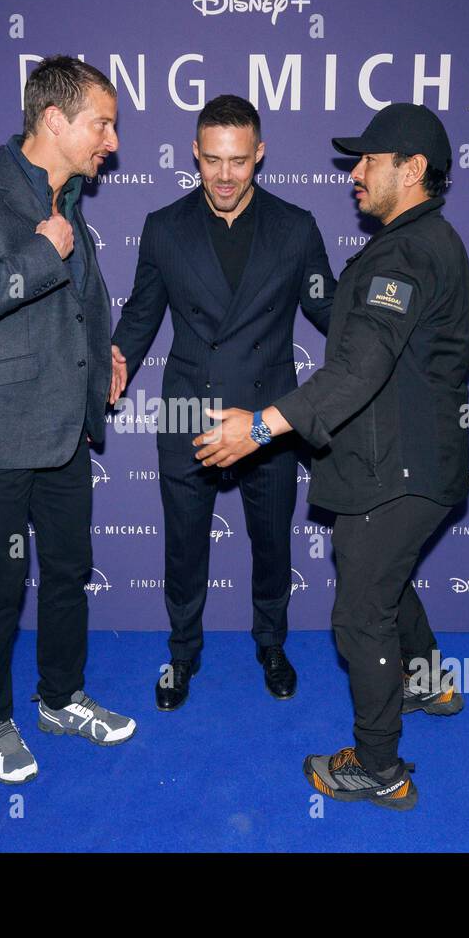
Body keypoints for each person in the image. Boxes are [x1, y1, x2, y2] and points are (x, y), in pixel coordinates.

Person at [192, 103, 469, 811]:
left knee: (359, 613)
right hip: (405, 462)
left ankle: (378, 765)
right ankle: (426, 680)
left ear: (410, 170)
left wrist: (259, 427)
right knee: (382, 576)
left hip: (399, 469)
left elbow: (358, 369)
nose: (355, 173)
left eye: (368, 161)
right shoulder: (413, 241)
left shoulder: (407, 252)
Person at [0, 55, 135, 786]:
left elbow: (67, 304)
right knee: (2, 584)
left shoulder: (70, 199)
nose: (111, 138)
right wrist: (41, 254)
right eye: (101, 122)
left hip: (63, 433)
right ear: (54, 119)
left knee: (70, 573)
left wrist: (97, 350)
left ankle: (60, 697)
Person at [108, 95, 336, 710]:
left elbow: (329, 311)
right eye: (213, 161)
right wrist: (112, 359)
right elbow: (142, 316)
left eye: (239, 160)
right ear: (195, 155)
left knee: (273, 542)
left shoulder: (296, 227)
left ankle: (271, 644)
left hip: (269, 417)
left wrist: (381, 338)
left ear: (259, 154)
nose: (226, 175)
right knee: (183, 546)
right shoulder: (163, 227)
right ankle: (182, 653)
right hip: (188, 411)